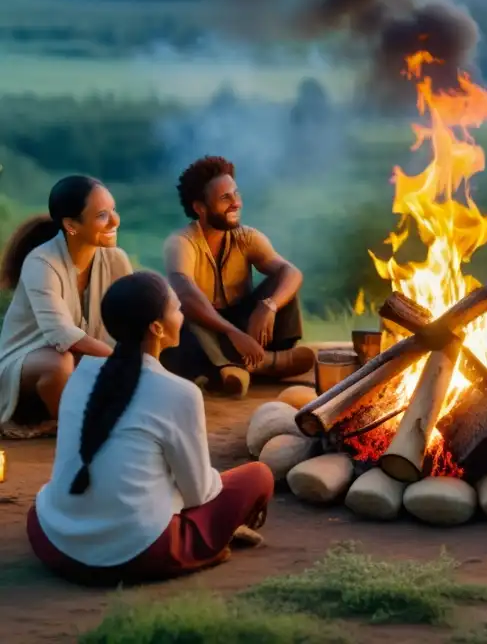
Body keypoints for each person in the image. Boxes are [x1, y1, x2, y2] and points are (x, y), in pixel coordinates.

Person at [26, 271, 274, 586]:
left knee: (46, 502)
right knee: (258, 475)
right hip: (137, 553)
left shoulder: (82, 371)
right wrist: (179, 483)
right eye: (177, 309)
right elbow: (198, 493)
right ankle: (206, 546)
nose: (182, 314)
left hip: (57, 543)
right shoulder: (180, 392)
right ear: (157, 328)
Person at [161, 156, 315, 395]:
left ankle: (234, 369)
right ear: (200, 207)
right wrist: (231, 333)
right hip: (204, 331)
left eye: (236, 194)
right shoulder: (181, 243)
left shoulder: (247, 238)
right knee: (183, 314)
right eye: (225, 198)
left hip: (245, 327)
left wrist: (269, 306)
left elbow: (292, 272)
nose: (236, 203)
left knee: (282, 283)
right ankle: (264, 364)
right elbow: (185, 293)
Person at [0, 176, 132, 437]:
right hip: (27, 369)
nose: (115, 221)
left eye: (113, 210)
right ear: (71, 225)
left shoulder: (116, 260)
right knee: (59, 362)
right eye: (102, 215)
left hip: (84, 360)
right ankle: (74, 429)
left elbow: (134, 318)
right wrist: (121, 362)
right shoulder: (41, 262)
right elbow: (61, 334)